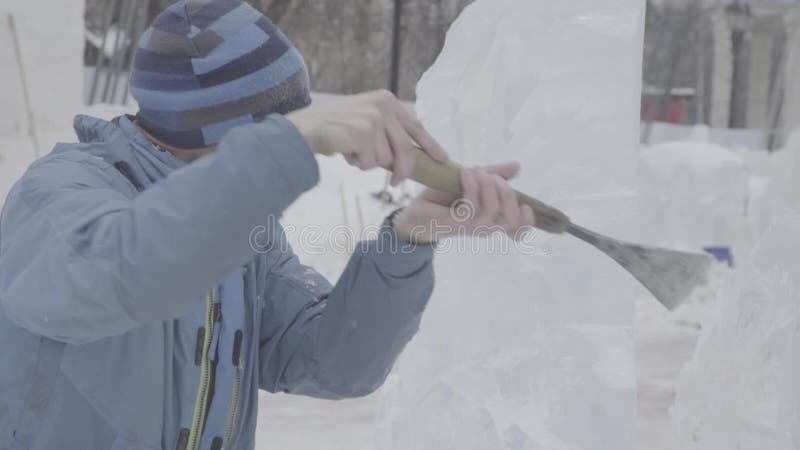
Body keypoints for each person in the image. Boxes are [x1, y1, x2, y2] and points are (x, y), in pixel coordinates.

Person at [0, 1, 535, 449]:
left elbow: (336, 362)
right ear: (228, 131)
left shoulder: (235, 227)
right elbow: (130, 273)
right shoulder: (57, 197)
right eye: (281, 125)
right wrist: (291, 143)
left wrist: (408, 236)